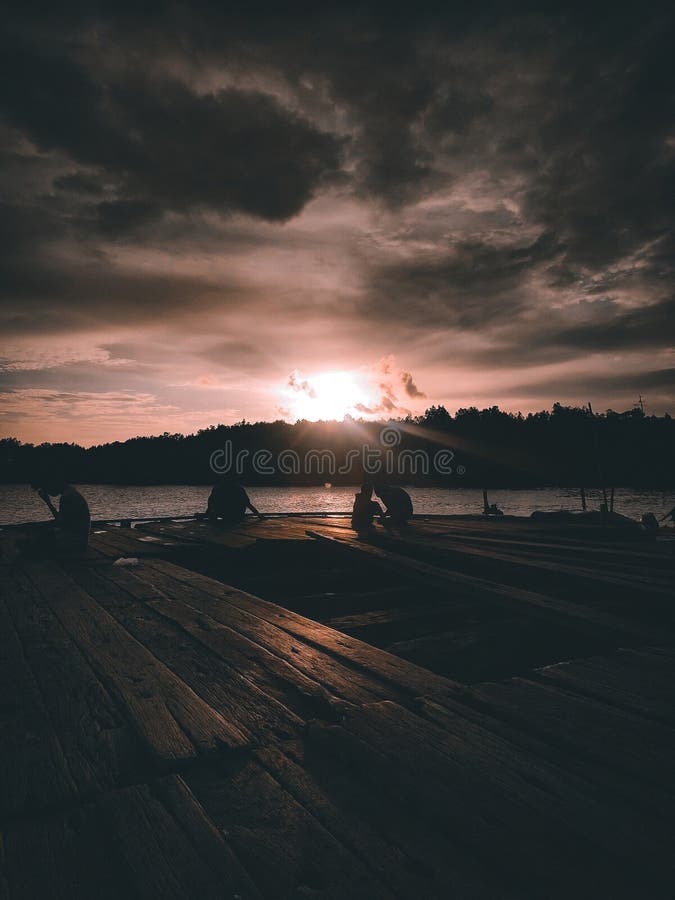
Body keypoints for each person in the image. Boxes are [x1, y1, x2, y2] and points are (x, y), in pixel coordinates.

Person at [24, 476, 91, 554]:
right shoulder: (70, 492)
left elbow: (60, 522)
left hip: (76, 542)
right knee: (37, 537)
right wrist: (48, 502)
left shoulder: (67, 497)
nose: (47, 492)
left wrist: (39, 526)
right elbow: (61, 520)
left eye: (45, 488)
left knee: (33, 544)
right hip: (78, 539)